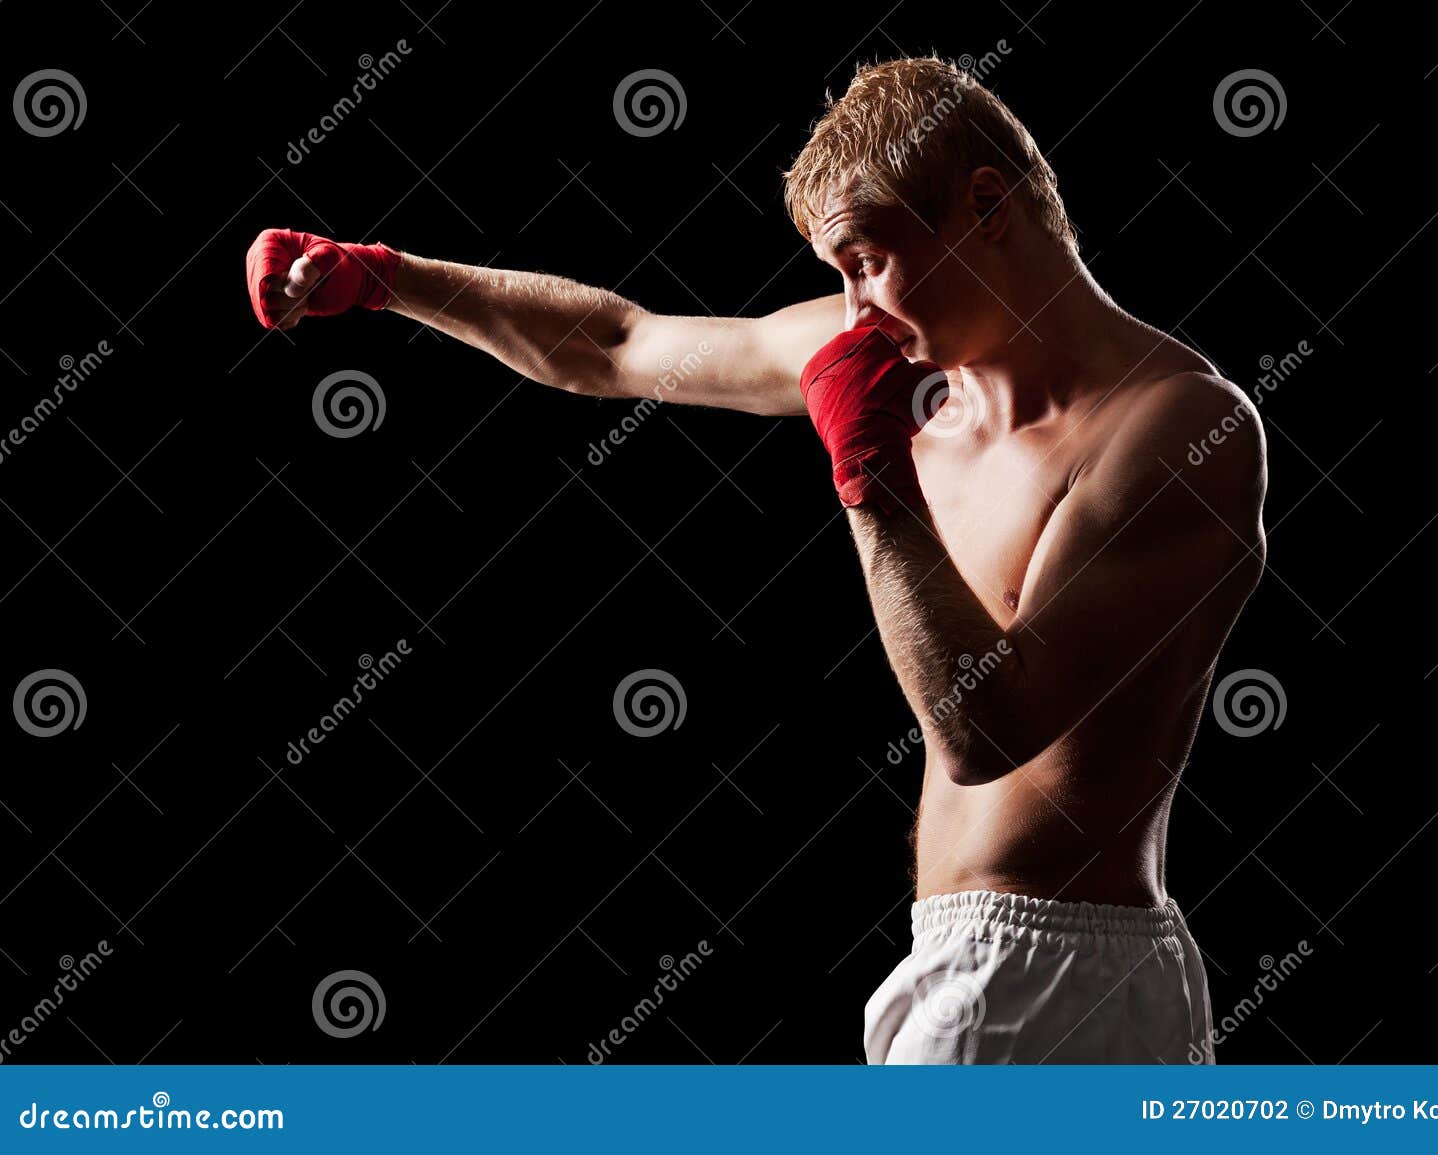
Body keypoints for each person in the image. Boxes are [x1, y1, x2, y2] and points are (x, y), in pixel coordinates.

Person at [244, 55, 1266, 1064]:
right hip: (972, 963)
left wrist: (869, 479)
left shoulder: (1173, 428)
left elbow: (988, 730)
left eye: (867, 257)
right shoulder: (906, 361)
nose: (856, 306)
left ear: (987, 205)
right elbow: (616, 345)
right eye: (838, 275)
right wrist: (387, 278)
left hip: (1057, 978)